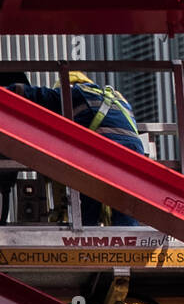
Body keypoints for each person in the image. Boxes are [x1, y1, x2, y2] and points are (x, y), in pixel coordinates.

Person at [9, 72, 146, 226]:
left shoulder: (76, 94)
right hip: (134, 157)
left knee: (87, 209)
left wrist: (4, 90)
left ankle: (88, 237)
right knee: (127, 211)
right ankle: (129, 244)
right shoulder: (120, 100)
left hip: (104, 153)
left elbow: (37, 95)